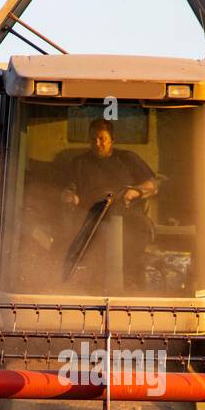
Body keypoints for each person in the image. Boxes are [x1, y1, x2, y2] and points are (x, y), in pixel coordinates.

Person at [60, 119, 157, 287]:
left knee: (137, 237)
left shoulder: (128, 159)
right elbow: (70, 188)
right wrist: (70, 196)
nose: (97, 143)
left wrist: (134, 192)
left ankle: (131, 283)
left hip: (129, 220)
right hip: (90, 220)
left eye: (101, 139)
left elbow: (152, 185)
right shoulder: (79, 163)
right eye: (93, 139)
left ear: (112, 139)